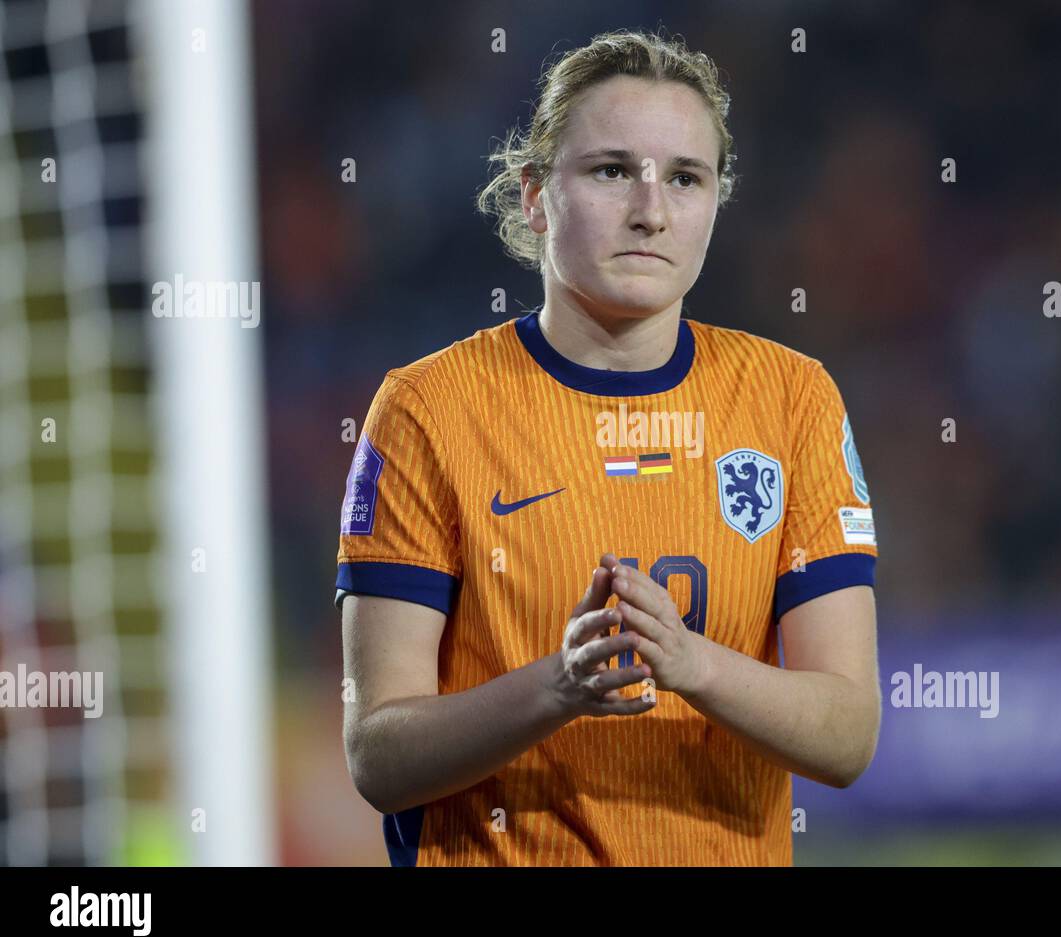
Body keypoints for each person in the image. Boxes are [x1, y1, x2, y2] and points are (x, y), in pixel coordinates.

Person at [335, 28, 880, 866]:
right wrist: (560, 687)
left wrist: (690, 664)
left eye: (685, 178)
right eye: (611, 170)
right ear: (534, 196)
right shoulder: (427, 409)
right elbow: (379, 757)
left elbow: (846, 735)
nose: (650, 209)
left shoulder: (792, 399)